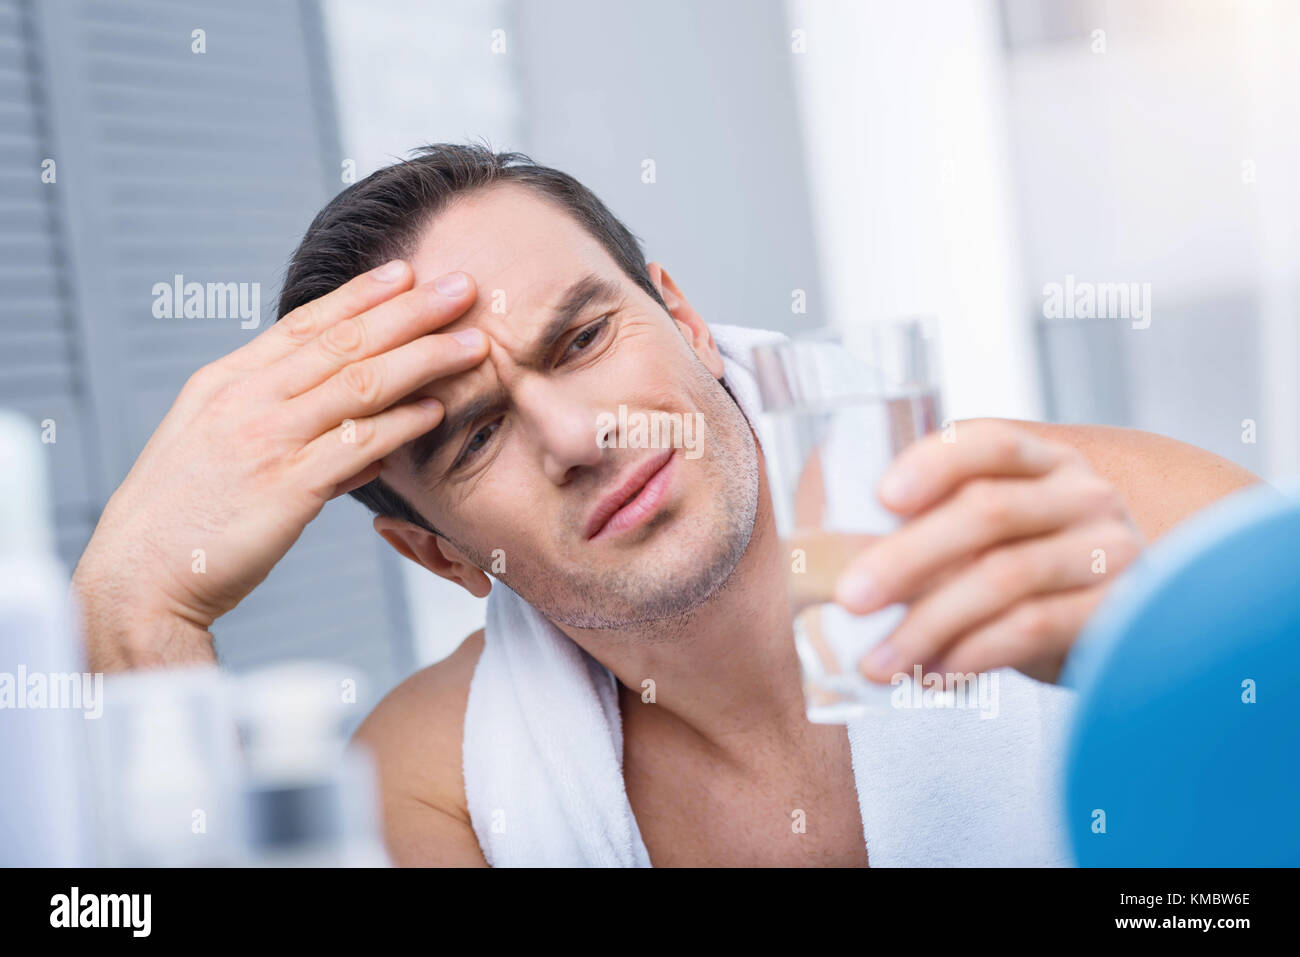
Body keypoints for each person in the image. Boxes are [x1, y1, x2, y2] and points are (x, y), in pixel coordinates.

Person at [73, 144, 1261, 866]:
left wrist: (1168, 677)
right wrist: (135, 614)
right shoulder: (437, 790)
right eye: (476, 437)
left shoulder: (1123, 524)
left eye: (583, 339)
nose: (578, 438)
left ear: (684, 320)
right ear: (437, 556)